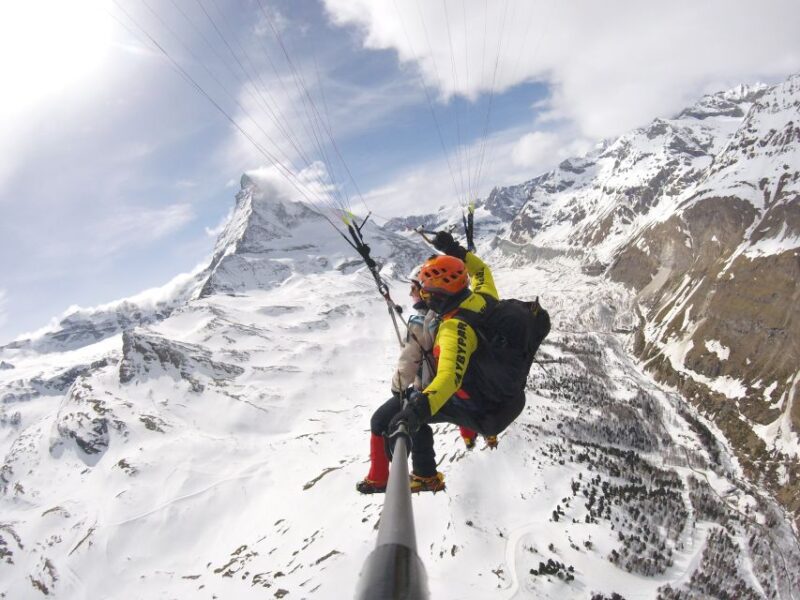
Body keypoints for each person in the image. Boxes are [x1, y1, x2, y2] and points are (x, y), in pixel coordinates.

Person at [386, 232, 522, 491]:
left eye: (425, 293)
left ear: (438, 295)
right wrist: (454, 250)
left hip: (486, 412)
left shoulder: (453, 329)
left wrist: (415, 412)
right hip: (509, 396)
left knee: (405, 408)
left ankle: (425, 475)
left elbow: (449, 378)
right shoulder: (484, 297)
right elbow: (481, 270)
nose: (422, 298)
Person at [356, 269, 440, 494]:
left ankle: (380, 478)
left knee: (381, 420)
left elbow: (409, 360)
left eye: (414, 288)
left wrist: (398, 388)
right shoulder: (441, 316)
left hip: (426, 390)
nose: (411, 293)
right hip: (440, 386)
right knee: (414, 419)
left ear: (425, 292)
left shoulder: (421, 322)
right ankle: (426, 473)